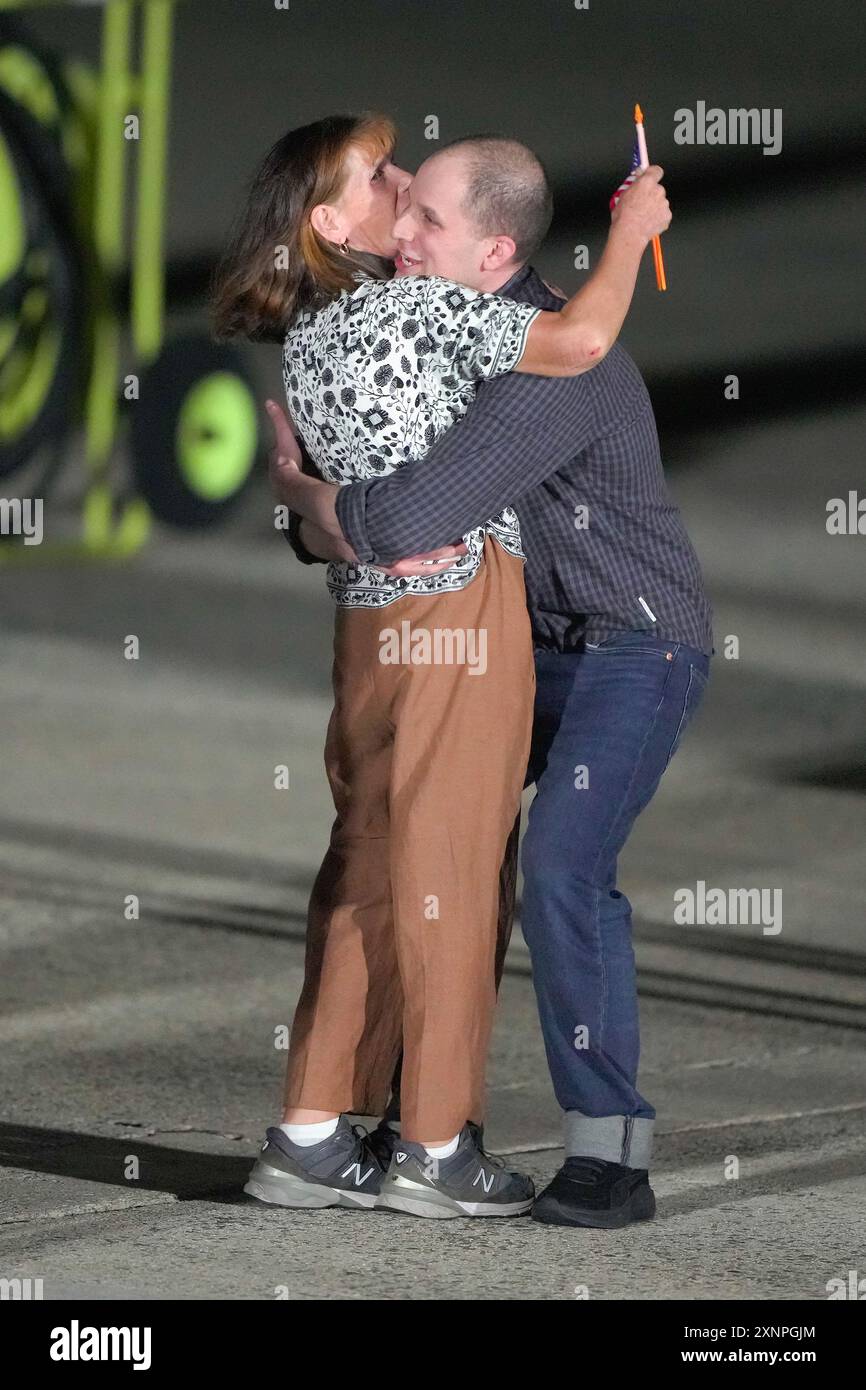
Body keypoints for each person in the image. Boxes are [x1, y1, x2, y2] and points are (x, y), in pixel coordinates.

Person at [211, 113, 670, 1218]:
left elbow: (333, 507)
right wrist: (628, 237)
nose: (403, 181)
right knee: (455, 876)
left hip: (365, 633)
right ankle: (431, 1149)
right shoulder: (418, 306)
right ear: (331, 221)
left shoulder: (311, 335)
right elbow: (576, 345)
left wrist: (310, 506)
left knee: (364, 868)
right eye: (381, 179)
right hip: (460, 616)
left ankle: (312, 1131)